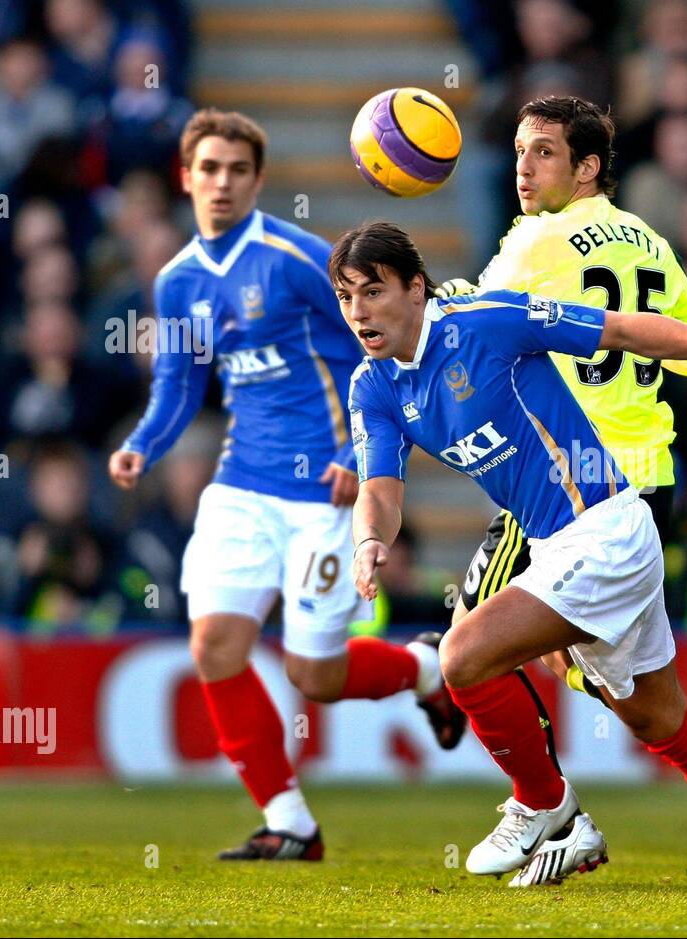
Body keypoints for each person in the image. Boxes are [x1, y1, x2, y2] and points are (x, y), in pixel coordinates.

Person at [337, 220, 687, 890]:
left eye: (374, 290)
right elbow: (379, 489)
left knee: (463, 656)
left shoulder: (488, 321)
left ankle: (549, 809)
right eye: (346, 297)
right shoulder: (374, 386)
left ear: (416, 287)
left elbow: (621, 329)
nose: (360, 311)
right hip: (562, 546)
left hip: (604, 532)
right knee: (660, 719)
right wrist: (371, 538)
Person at [108, 109, 465, 862]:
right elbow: (178, 383)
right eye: (208, 168)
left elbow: (375, 349)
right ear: (185, 177)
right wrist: (143, 443)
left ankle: (427, 668)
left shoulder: (298, 258)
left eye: (238, 170)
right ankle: (289, 820)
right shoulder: (176, 281)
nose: (222, 183)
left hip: (323, 495)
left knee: (316, 675)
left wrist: (352, 447)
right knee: (213, 646)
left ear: (259, 180)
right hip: (240, 484)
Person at [441, 96, 687, 710]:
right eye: (519, 152)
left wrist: (441, 300)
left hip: (569, 479)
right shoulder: (652, 243)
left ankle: (546, 804)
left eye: (544, 153)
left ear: (588, 167)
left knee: (468, 645)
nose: (524, 168)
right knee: (610, 680)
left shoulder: (537, 240)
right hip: (649, 484)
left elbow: (464, 334)